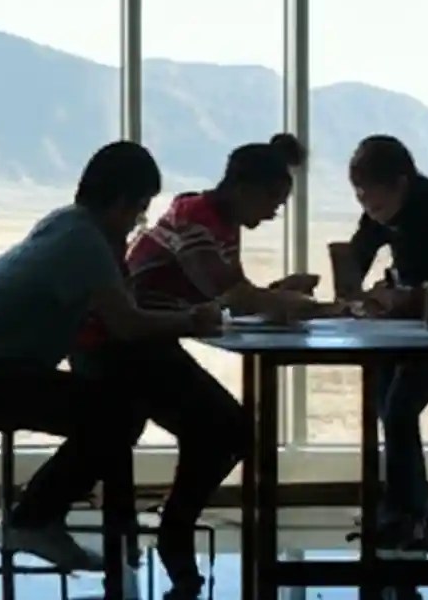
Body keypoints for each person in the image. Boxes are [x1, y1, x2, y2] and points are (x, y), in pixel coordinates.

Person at [0, 142, 222, 587]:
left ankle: (45, 515)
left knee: (114, 410)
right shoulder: (84, 243)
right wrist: (191, 320)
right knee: (117, 415)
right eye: (139, 210)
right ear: (121, 201)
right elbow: (125, 324)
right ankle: (34, 519)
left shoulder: (68, 225)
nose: (139, 221)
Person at [108, 133, 330, 597]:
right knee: (228, 430)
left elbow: (229, 296)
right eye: (272, 199)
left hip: (147, 341)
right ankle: (175, 528)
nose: (274, 212)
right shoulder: (196, 218)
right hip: (128, 344)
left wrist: (277, 294)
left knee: (225, 429)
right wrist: (297, 303)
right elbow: (228, 292)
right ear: (244, 188)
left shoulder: (217, 224)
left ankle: (175, 525)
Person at [336, 134, 428, 551]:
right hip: (408, 327)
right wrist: (350, 292)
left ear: (401, 183)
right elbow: (359, 253)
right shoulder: (379, 211)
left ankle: (409, 517)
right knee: (388, 408)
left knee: (398, 409)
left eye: (374, 203)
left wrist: (404, 296)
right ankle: (406, 516)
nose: (370, 212)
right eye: (362, 203)